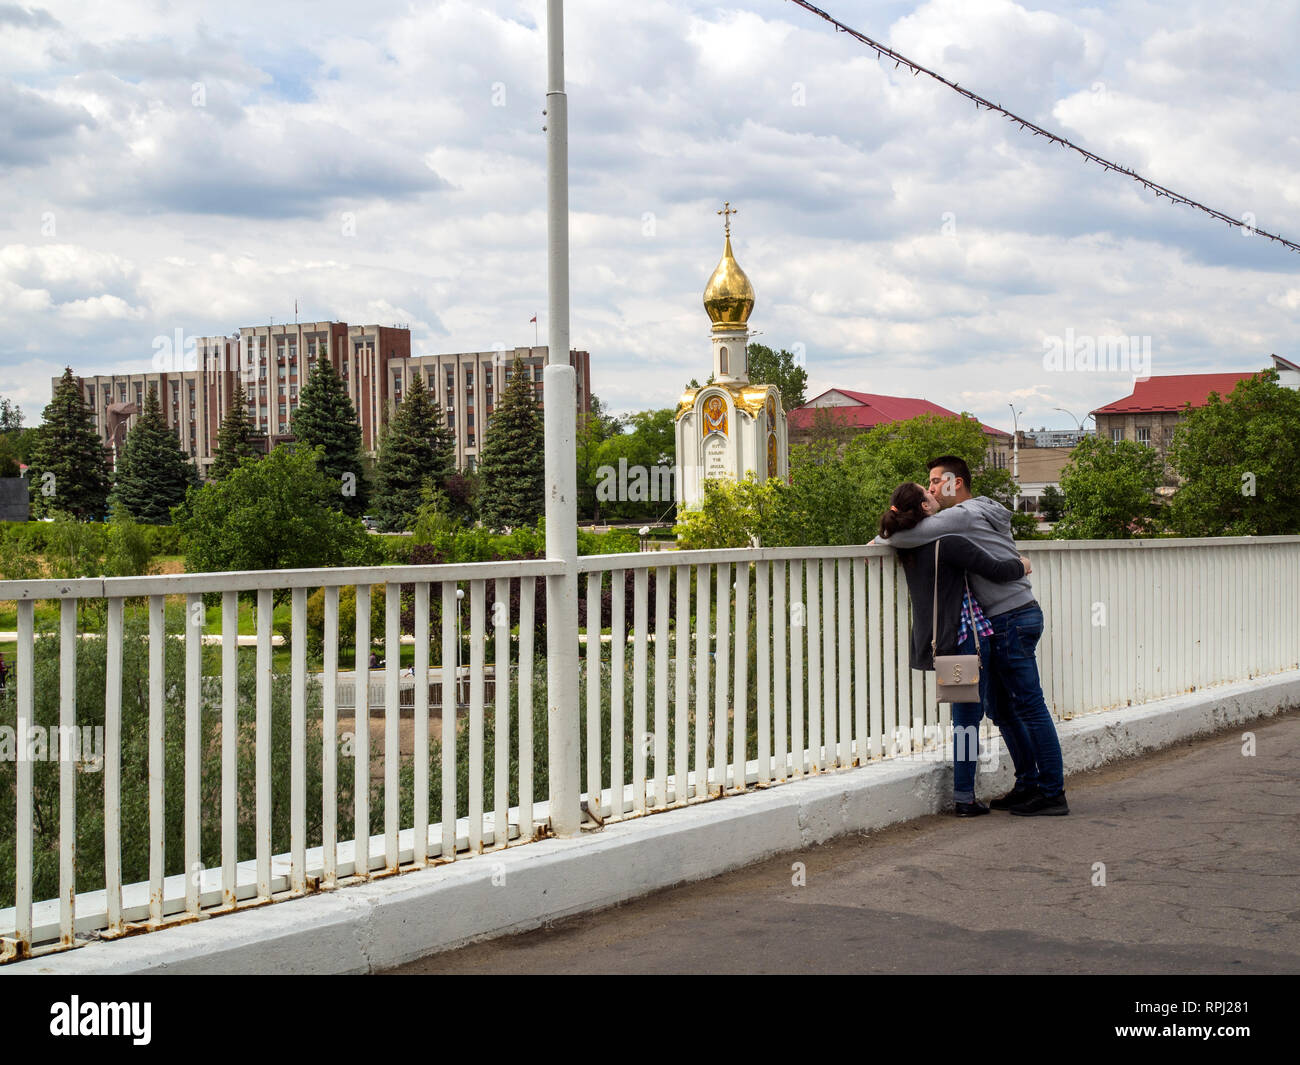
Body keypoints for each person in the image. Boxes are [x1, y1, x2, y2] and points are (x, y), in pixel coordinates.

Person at [879, 455, 1068, 816]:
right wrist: (1020, 565)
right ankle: (1027, 783)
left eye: (936, 482)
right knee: (1002, 708)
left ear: (956, 483)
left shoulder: (958, 518)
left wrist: (881, 536)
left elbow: (909, 533)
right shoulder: (966, 520)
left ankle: (1050, 791)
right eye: (929, 485)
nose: (933, 488)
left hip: (1007, 619)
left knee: (1026, 705)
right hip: (995, 625)